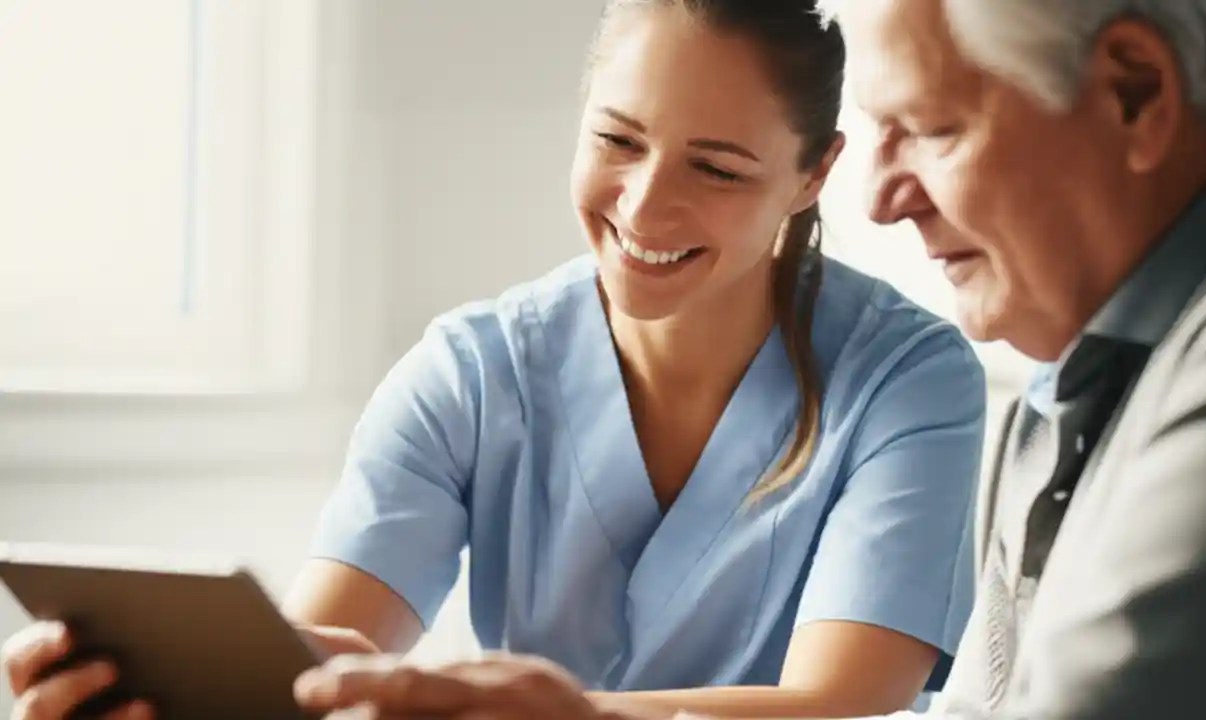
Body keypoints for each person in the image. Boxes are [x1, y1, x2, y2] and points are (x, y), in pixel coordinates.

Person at [278, 0, 1206, 718]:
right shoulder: (1080, 375)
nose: (885, 202)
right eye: (617, 141)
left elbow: (862, 696)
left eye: (928, 128)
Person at [1, 2, 989, 719]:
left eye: (717, 169)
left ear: (812, 175)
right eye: (616, 140)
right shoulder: (471, 372)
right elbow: (317, 667)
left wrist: (560, 717)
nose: (643, 209)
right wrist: (177, 689)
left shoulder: (908, 379)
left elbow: (843, 702)